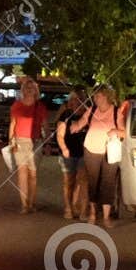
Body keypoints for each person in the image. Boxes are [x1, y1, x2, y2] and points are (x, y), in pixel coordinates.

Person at [79, 84, 124, 226]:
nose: (95, 98)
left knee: (108, 183)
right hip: (91, 150)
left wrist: (116, 132)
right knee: (93, 182)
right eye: (94, 96)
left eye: (97, 96)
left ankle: (106, 217)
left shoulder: (117, 112)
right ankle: (92, 213)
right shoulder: (91, 110)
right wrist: (72, 126)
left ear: (106, 96)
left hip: (110, 152)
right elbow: (80, 123)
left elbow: (124, 133)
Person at [7, 77, 47, 213]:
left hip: (35, 142)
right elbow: (13, 124)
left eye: (32, 88)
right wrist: (10, 141)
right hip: (19, 141)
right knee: (22, 173)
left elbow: (45, 125)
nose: (29, 90)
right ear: (23, 90)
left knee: (33, 174)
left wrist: (47, 143)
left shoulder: (40, 107)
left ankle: (31, 203)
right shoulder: (16, 105)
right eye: (27, 87)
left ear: (36, 91)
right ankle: (24, 205)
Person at [54, 89, 90, 220]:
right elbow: (59, 135)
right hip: (68, 153)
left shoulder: (88, 116)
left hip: (84, 153)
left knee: (83, 182)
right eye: (74, 100)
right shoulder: (66, 115)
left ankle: (83, 210)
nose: (76, 102)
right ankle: (68, 208)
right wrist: (64, 148)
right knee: (69, 182)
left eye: (80, 99)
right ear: (70, 101)